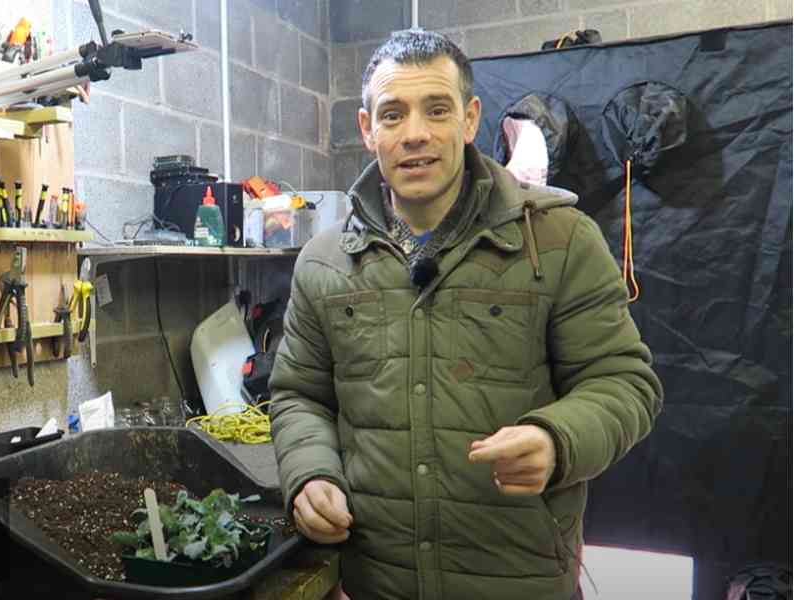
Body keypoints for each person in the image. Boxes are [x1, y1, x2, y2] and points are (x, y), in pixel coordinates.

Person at [268, 29, 663, 600]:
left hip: (520, 579)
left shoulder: (558, 240)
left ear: (471, 118)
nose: (416, 135)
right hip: (376, 582)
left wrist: (557, 441)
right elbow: (299, 394)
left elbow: (625, 381)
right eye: (393, 114)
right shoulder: (325, 263)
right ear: (367, 129)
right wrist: (309, 474)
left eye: (437, 109)